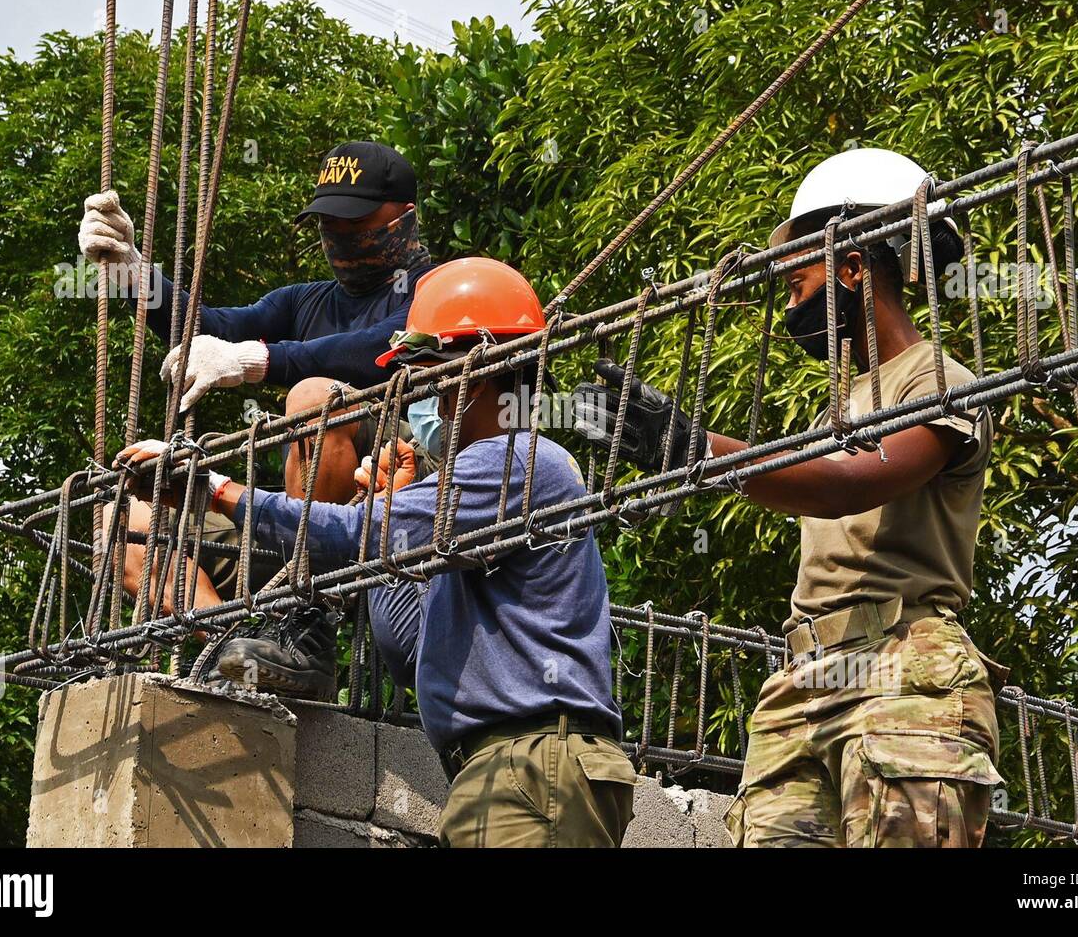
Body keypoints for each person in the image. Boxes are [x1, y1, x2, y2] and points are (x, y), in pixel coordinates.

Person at [116, 257, 636, 848]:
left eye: (431, 377)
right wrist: (391, 538)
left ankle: (295, 628)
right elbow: (409, 646)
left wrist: (216, 490)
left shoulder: (516, 462)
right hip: (500, 768)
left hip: (536, 763)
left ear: (482, 371)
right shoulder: (464, 500)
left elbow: (343, 533)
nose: (424, 399)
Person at [573, 148, 1006, 848]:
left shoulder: (937, 378)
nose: (793, 303)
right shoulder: (835, 406)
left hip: (903, 661)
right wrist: (682, 454)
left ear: (853, 266)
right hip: (804, 676)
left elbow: (845, 486)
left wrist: (691, 448)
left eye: (800, 280)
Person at [79, 141, 436, 610]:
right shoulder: (303, 301)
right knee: (125, 520)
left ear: (404, 218)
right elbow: (211, 328)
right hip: (297, 521)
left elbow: (378, 348)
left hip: (405, 490)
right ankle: (223, 651)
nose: (339, 236)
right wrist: (134, 273)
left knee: (314, 399)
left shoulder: (442, 288)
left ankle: (308, 616)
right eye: (329, 224)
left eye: (355, 223)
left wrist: (258, 360)